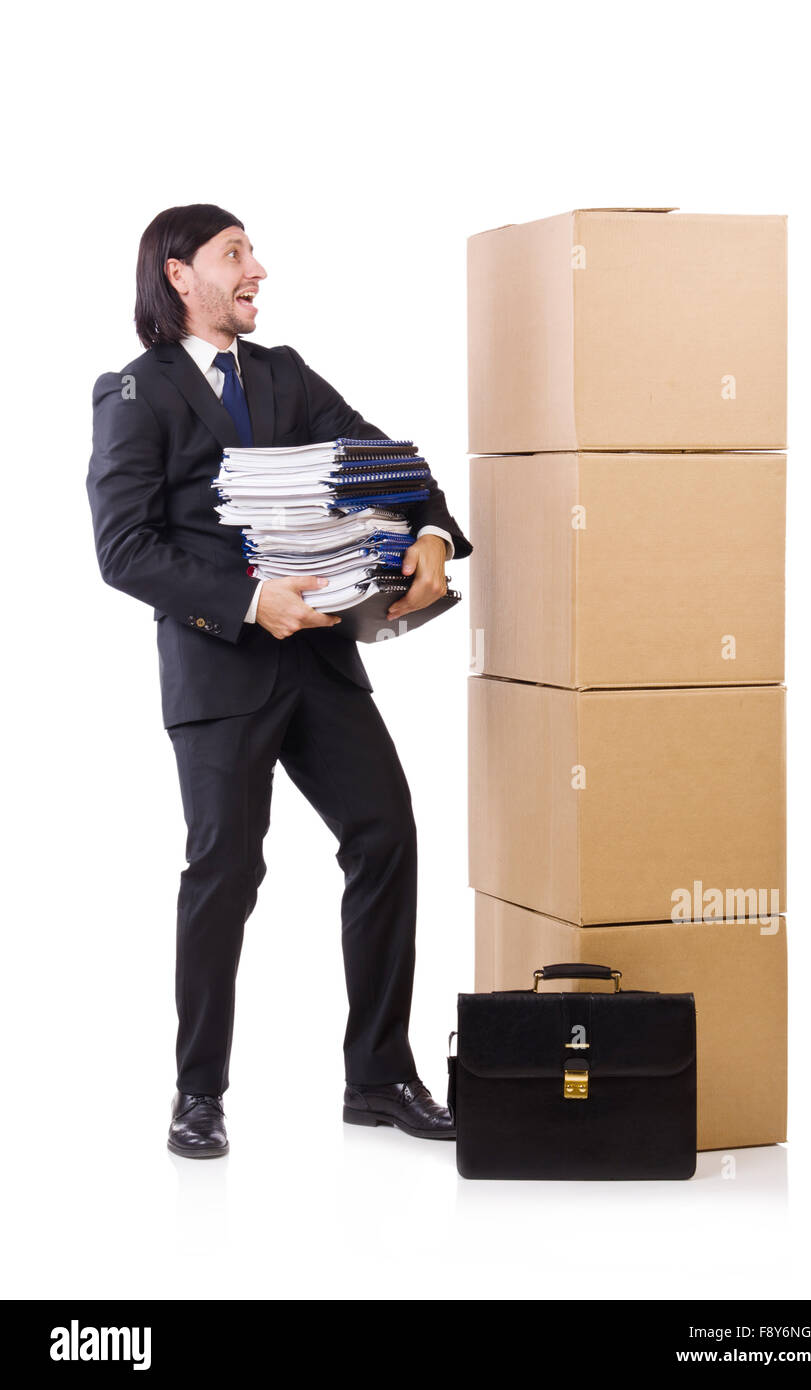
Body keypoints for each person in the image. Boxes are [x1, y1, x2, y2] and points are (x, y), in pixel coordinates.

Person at [86, 204, 472, 1158]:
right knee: (226, 870)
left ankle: (378, 1077)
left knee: (385, 835)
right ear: (180, 276)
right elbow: (123, 549)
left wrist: (429, 530)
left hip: (320, 662)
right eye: (236, 254)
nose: (257, 268)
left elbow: (390, 461)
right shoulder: (135, 394)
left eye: (252, 251)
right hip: (221, 671)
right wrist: (251, 599)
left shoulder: (285, 375)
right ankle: (197, 1094)